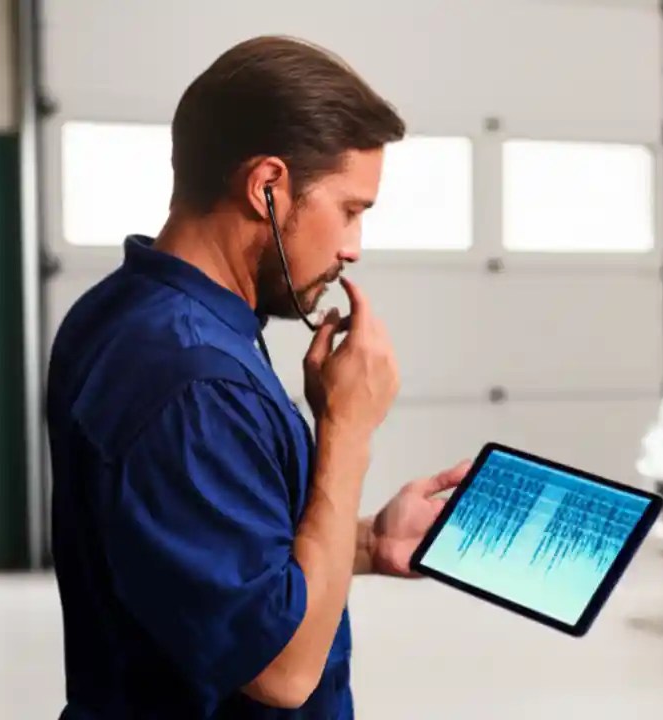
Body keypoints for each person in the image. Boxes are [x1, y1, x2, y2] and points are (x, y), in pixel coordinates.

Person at [46, 35, 468, 719]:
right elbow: (280, 669)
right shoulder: (193, 380)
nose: (353, 248)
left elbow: (205, 564)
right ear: (267, 186)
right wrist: (347, 431)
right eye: (351, 210)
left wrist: (367, 541)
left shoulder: (127, 311)